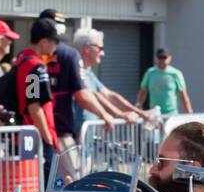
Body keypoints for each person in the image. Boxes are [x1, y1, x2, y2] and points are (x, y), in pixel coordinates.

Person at [36, 9, 116, 179]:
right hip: (57, 135)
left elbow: (32, 103)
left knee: (43, 187)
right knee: (73, 184)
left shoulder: (26, 59)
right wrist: (104, 114)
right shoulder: (68, 55)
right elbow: (82, 95)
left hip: (34, 134)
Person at [72, 28, 147, 137]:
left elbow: (109, 95)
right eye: (100, 48)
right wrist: (119, 114)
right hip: (76, 135)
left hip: (86, 137)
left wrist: (140, 113)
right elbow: (94, 96)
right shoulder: (76, 70)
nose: (103, 53)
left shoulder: (88, 71)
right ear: (87, 49)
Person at [12, 19, 58, 180]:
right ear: (44, 42)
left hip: (27, 135)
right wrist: (49, 141)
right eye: (55, 41)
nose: (56, 46)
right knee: (44, 188)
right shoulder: (35, 66)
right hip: (37, 137)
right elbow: (34, 106)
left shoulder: (21, 59)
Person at [138, 49, 193, 115]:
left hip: (171, 114)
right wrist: (139, 105)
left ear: (169, 58)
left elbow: (183, 95)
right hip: (154, 114)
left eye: (164, 57)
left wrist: (190, 113)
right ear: (156, 58)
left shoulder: (175, 73)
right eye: (159, 57)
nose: (162, 60)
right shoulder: (150, 73)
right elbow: (143, 91)